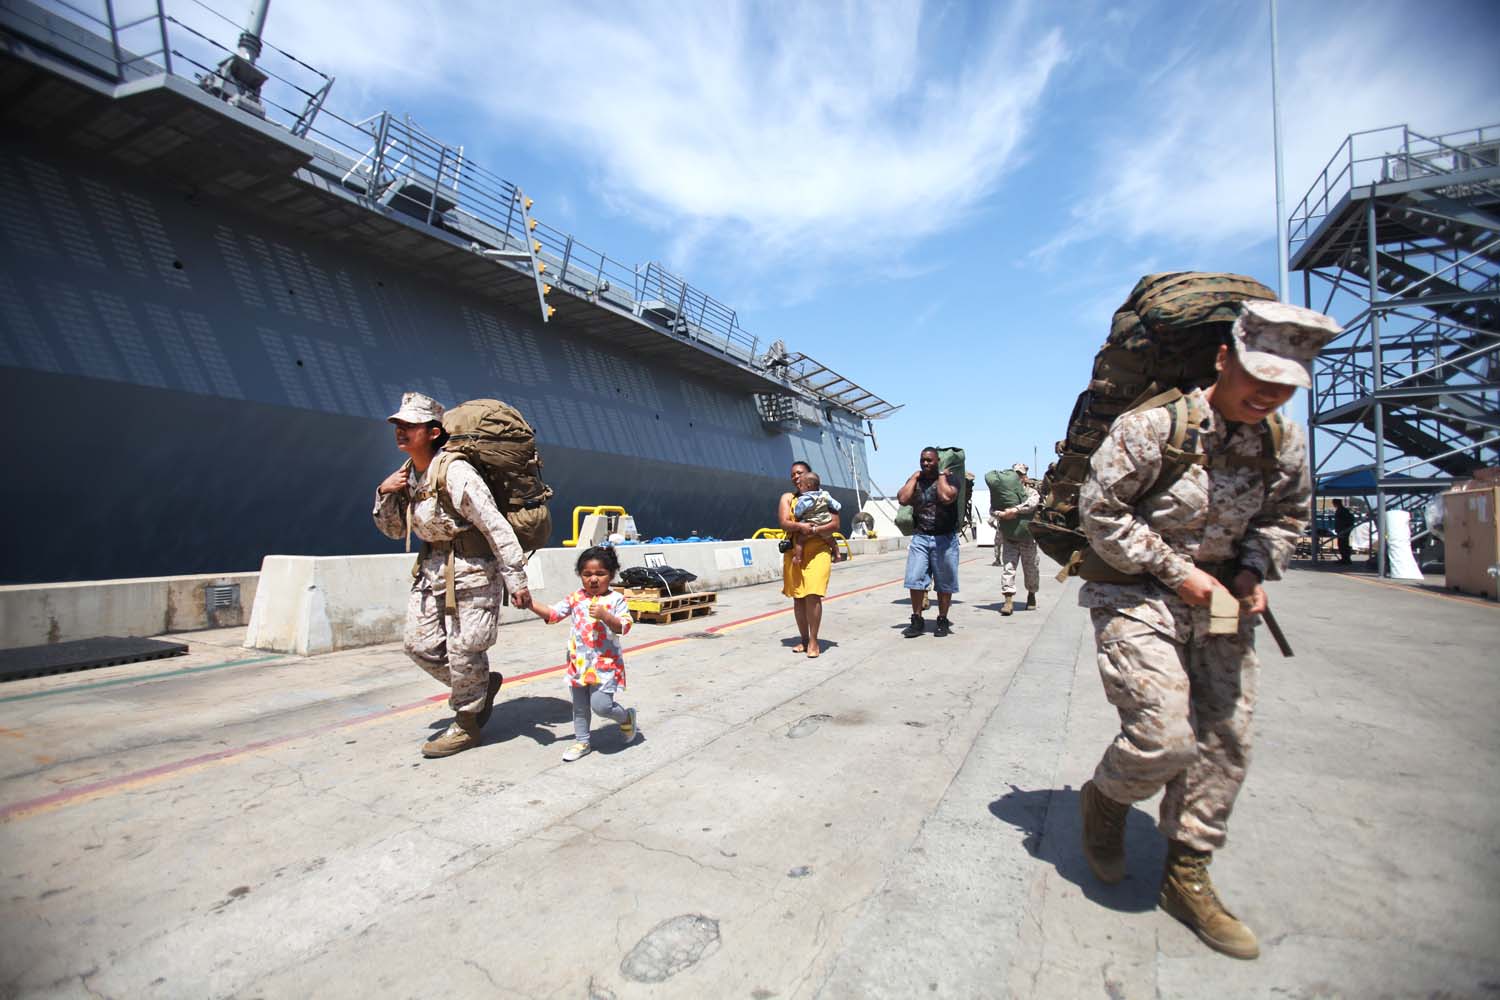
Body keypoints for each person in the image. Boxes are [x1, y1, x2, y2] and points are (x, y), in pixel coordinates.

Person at [1074, 300, 1340, 960]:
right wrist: (1176, 570)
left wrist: (1251, 570)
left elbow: (1286, 518)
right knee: (1164, 736)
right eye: (1259, 376)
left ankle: (1186, 874)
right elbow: (1100, 512)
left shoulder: (1282, 442)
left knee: (1225, 738)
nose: (1270, 394)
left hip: (1222, 601)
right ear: (1225, 358)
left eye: (1286, 384)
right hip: (1136, 592)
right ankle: (1105, 801)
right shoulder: (1153, 427)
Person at [374, 392, 531, 758]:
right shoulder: (408, 475)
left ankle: (467, 723)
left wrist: (516, 579)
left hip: (473, 573)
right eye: (398, 424)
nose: (401, 430)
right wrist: (384, 493)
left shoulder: (456, 472)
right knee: (419, 646)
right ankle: (479, 687)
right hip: (431, 571)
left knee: (465, 650)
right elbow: (396, 531)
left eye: (410, 425)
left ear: (433, 432)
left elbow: (494, 525)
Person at [526, 545, 638, 762]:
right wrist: (529, 603)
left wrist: (606, 616)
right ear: (580, 575)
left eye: (600, 574)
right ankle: (582, 741)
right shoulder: (576, 597)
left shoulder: (616, 600)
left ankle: (625, 717)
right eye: (587, 574)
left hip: (605, 665)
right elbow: (553, 614)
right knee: (579, 707)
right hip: (578, 664)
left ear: (611, 575)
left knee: (602, 706)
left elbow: (624, 627)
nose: (593, 579)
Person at [898, 447, 960, 637]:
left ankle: (942, 619)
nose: (925, 463)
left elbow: (946, 497)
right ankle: (917, 619)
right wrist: (913, 478)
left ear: (938, 461)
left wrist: (941, 476)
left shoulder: (951, 479)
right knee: (915, 579)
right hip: (921, 537)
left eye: (929, 460)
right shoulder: (916, 480)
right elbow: (903, 499)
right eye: (923, 460)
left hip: (945, 539)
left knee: (944, 583)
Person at [779, 461, 838, 658]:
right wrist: (801, 527)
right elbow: (784, 523)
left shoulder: (824, 496)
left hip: (819, 550)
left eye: (800, 473)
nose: (796, 477)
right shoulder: (788, 498)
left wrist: (813, 529)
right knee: (799, 597)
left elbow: (835, 524)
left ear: (810, 476)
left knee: (813, 594)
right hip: (796, 552)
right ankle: (803, 639)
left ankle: (814, 640)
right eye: (793, 474)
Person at [990, 462, 1041, 615]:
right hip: (1010, 538)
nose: (1017, 477)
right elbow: (992, 509)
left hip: (1028, 539)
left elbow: (1032, 504)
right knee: (1008, 569)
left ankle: (1031, 594)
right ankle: (1008, 601)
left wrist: (1015, 510)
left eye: (1020, 474)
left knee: (1031, 569)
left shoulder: (1030, 492)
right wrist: (1001, 514)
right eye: (1015, 475)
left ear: (1024, 476)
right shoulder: (1003, 493)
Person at [791, 471, 841, 566]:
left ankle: (798, 558)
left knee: (800, 540)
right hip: (825, 523)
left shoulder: (805, 499)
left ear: (808, 486)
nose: (800, 487)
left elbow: (798, 512)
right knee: (831, 539)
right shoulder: (825, 494)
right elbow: (836, 505)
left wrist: (796, 514)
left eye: (801, 485)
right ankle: (837, 554)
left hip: (811, 524)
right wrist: (837, 507)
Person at [1332, 498, 1355, 565]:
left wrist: (1344, 529)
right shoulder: (1341, 510)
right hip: (1341, 530)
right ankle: (1344, 559)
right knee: (1342, 545)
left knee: (1343, 545)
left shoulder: (1343, 511)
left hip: (1343, 531)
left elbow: (1346, 521)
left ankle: (1346, 559)